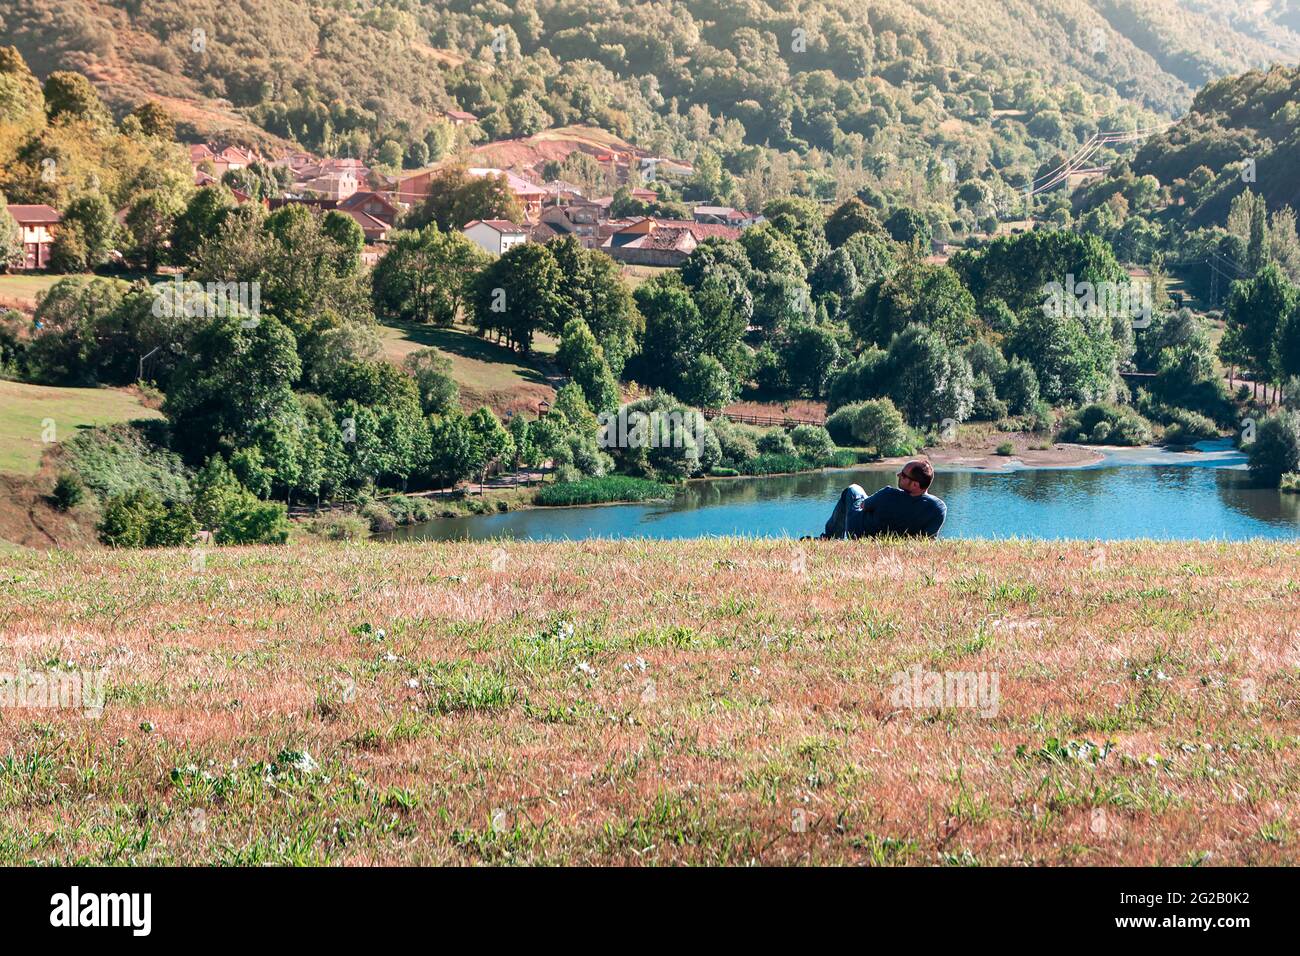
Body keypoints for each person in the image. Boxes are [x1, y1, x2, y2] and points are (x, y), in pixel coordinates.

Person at [820, 459, 946, 539]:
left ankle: (830, 537)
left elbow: (864, 506)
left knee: (853, 490)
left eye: (903, 475)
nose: (898, 475)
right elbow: (929, 538)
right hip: (885, 537)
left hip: (857, 531)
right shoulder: (938, 508)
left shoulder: (888, 494)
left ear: (915, 485)